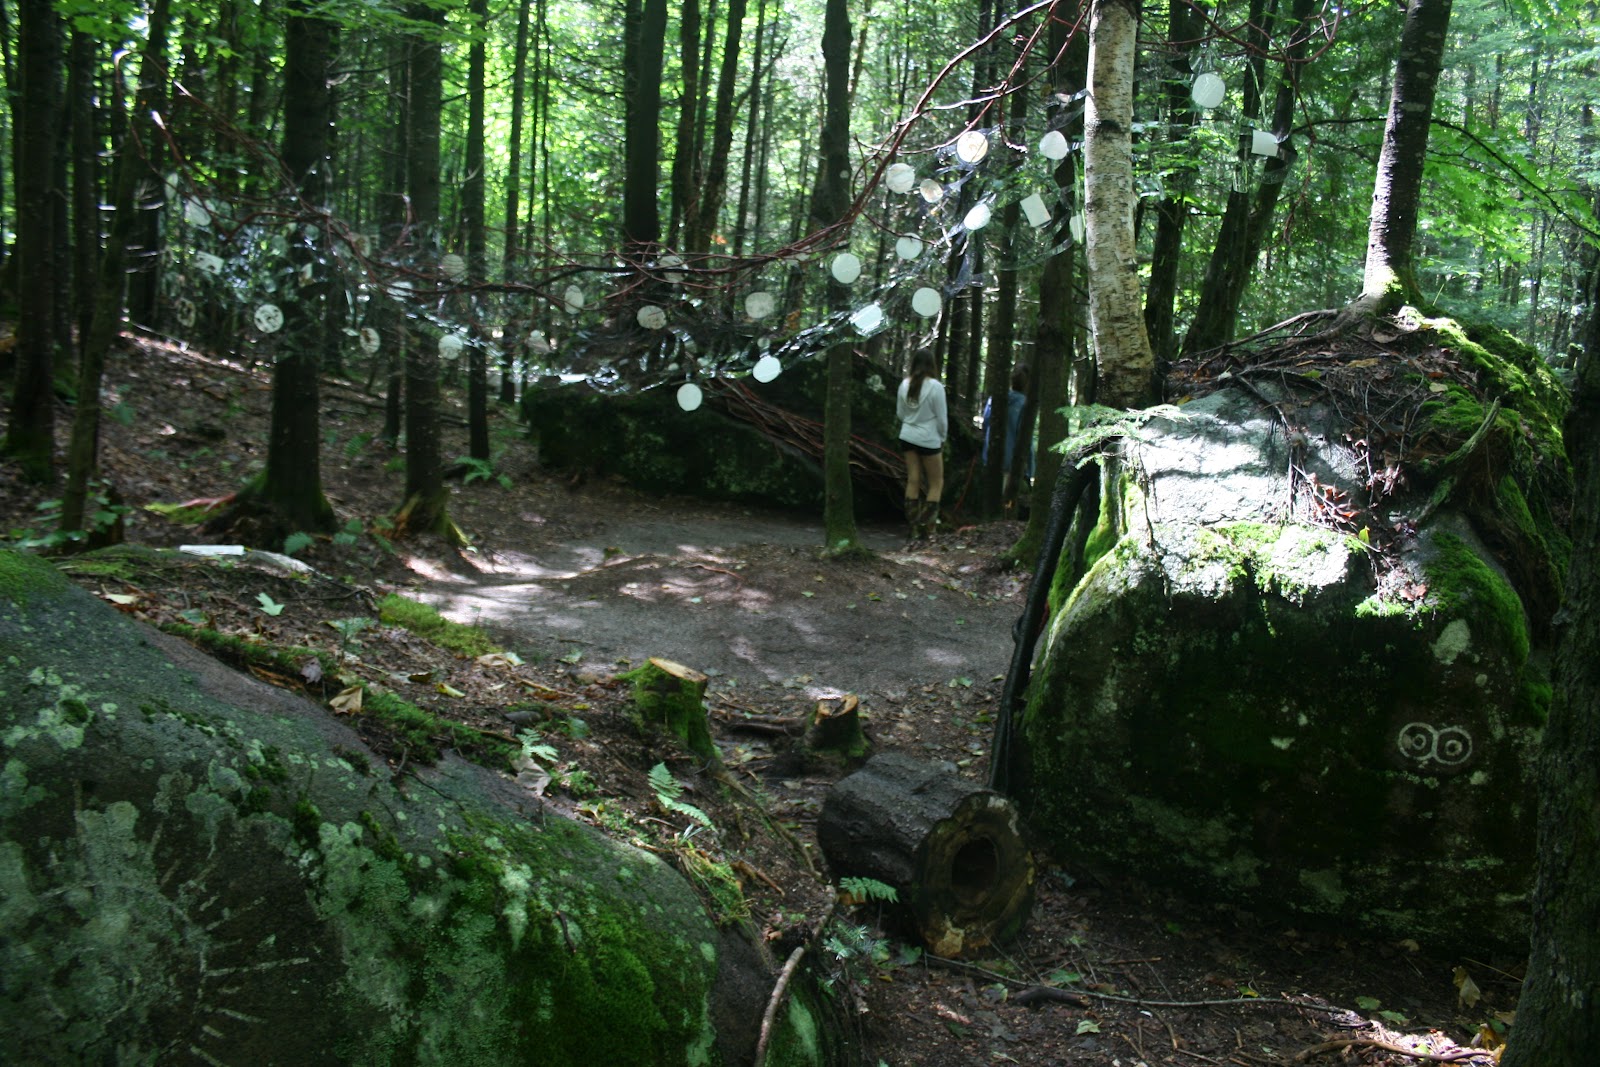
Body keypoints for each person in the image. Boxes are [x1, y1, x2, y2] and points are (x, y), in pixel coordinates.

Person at [897, 352, 948, 540]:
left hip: (907, 436)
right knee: (936, 482)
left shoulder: (904, 384)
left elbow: (900, 414)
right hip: (929, 439)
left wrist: (912, 422)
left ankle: (913, 527)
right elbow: (942, 419)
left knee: (913, 480)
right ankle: (929, 529)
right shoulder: (936, 387)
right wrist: (942, 438)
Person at [982, 364, 1034, 493]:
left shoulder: (995, 398)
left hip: (990, 456)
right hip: (1010, 463)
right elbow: (1026, 439)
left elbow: (985, 424)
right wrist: (1030, 470)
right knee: (1003, 501)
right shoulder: (1025, 406)